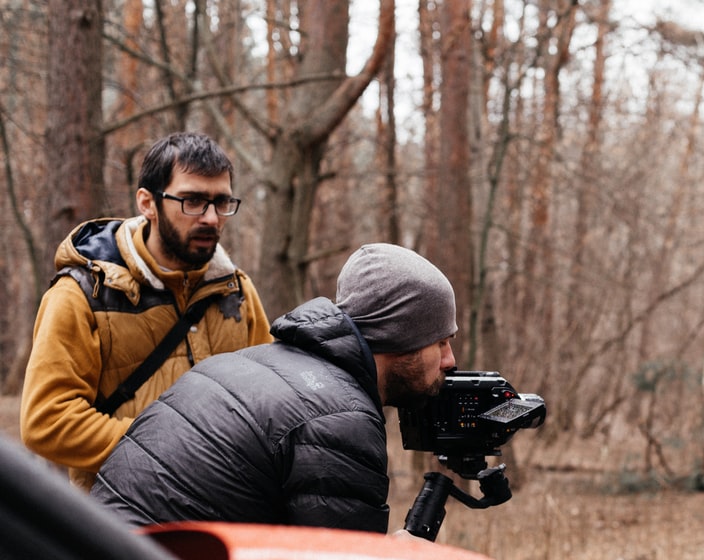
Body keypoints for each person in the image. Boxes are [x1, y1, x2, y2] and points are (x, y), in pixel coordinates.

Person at [90, 243, 457, 533]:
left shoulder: (246, 361)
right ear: (399, 336)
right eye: (440, 341)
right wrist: (406, 555)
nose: (449, 360)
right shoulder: (340, 420)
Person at [20, 132, 272, 491]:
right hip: (121, 524)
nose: (212, 218)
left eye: (221, 202)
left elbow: (267, 405)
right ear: (147, 203)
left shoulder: (237, 292)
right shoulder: (83, 294)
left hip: (225, 517)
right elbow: (47, 421)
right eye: (193, 201)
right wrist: (174, 448)